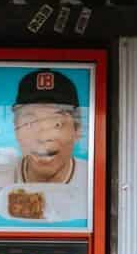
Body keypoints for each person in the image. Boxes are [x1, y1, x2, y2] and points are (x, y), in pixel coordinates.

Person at [11, 69, 88, 197]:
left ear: (77, 130)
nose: (43, 137)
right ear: (16, 130)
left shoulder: (93, 180)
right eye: (30, 123)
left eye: (57, 124)